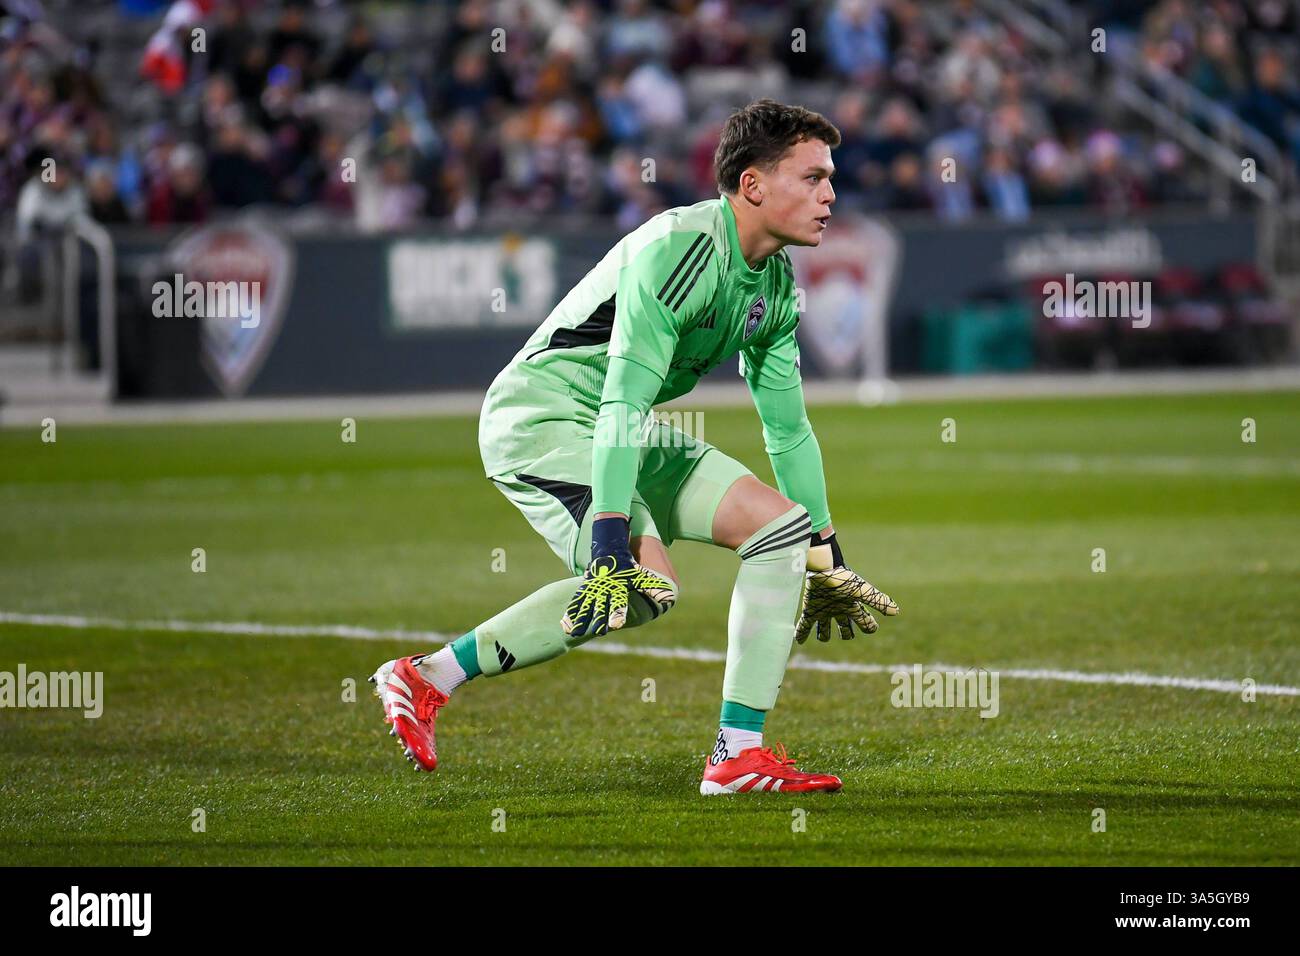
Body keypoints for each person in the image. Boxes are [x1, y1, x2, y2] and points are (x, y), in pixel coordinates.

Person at [370, 99, 899, 795]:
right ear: (753, 186)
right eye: (812, 177)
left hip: (618, 423)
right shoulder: (678, 251)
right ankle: (426, 674)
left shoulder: (774, 284)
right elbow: (620, 398)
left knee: (781, 532)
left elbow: (788, 428)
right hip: (542, 417)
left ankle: (735, 757)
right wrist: (611, 536)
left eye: (830, 178)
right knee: (642, 586)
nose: (831, 194)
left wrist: (826, 548)